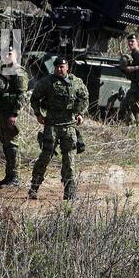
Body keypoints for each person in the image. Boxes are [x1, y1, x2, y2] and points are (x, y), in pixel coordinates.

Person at [28, 55, 89, 201]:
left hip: (69, 126)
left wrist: (80, 113)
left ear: (67, 67)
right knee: (45, 157)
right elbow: (34, 98)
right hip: (51, 126)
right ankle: (34, 187)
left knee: (69, 159)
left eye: (62, 67)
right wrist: (38, 114)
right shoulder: (47, 82)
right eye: (57, 67)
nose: (59, 69)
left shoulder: (75, 82)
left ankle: (69, 192)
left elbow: (84, 97)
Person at [0, 46, 28, 188]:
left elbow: (22, 95)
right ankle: (8, 176)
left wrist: (15, 114)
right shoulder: (3, 70)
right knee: (5, 144)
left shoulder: (18, 71)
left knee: (12, 145)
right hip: (3, 112)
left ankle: (15, 178)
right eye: (4, 54)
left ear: (16, 55)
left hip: (11, 114)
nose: (7, 56)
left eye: (10, 53)